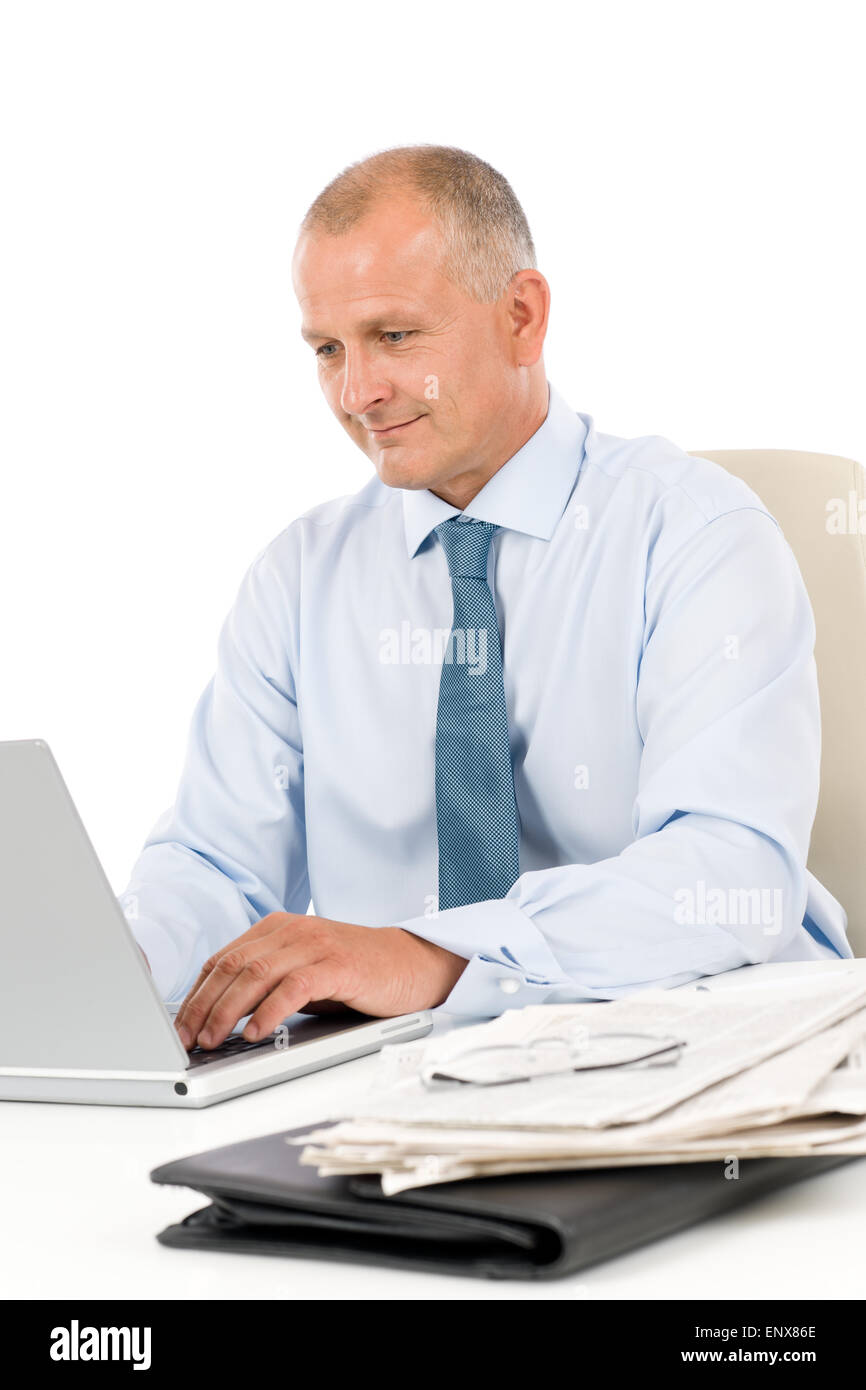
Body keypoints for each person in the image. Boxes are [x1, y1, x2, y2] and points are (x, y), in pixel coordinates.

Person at [122, 144, 852, 1053]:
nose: (359, 393)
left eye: (395, 336)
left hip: (709, 1050)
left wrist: (430, 955)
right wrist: (117, 976)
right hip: (411, 1072)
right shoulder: (300, 577)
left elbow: (728, 869)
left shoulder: (696, 532)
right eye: (327, 350)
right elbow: (214, 859)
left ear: (522, 316)